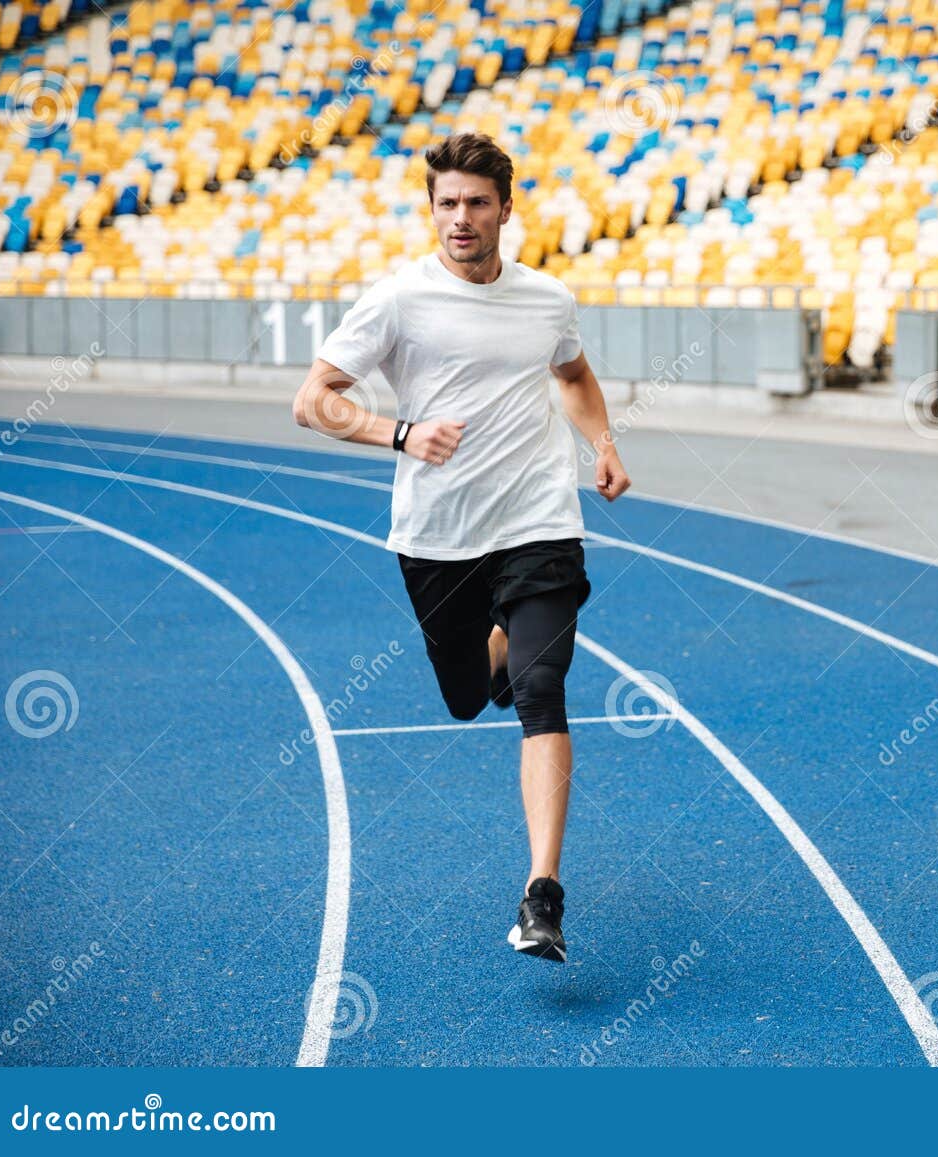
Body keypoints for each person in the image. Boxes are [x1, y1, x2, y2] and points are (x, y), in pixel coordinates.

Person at [291, 131, 631, 962]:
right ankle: (499, 650)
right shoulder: (398, 301)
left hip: (539, 519)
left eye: (478, 202)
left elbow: (573, 375)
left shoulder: (547, 298)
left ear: (506, 210)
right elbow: (312, 400)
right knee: (467, 695)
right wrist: (398, 431)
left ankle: (541, 897)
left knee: (544, 688)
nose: (461, 218)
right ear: (431, 211)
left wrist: (605, 443)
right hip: (439, 534)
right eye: (447, 203)